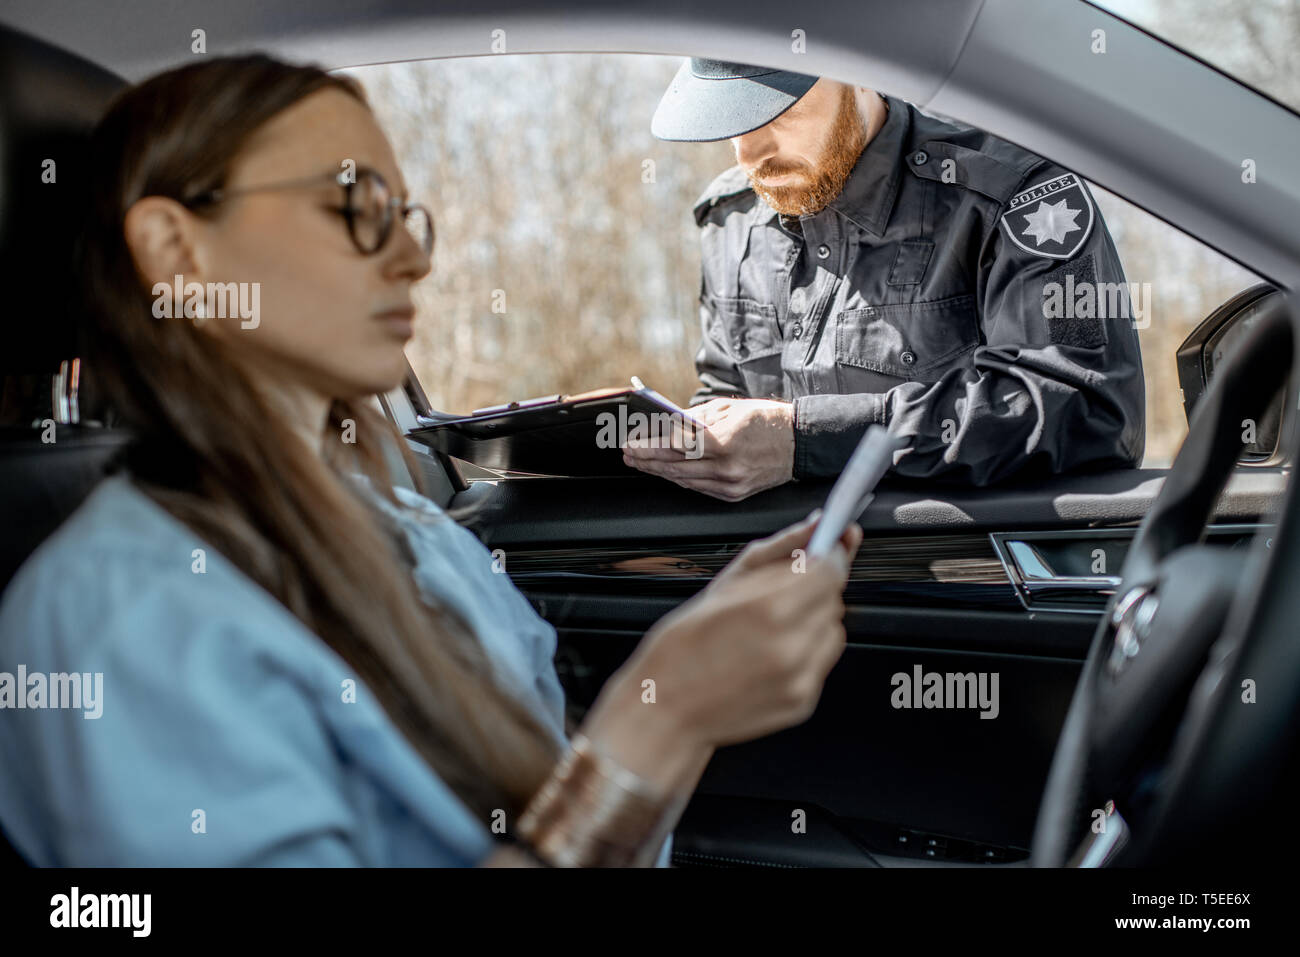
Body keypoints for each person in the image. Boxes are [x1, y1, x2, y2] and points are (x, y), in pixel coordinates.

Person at [0, 55, 862, 867]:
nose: (415, 259)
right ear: (179, 254)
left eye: (407, 218)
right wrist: (665, 717)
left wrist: (687, 684)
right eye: (356, 208)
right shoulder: (121, 616)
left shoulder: (403, 523)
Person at [622, 59, 1146, 501]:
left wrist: (805, 440)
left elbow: (1087, 409)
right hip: (774, 588)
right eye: (731, 120)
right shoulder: (730, 219)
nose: (749, 153)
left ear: (860, 69)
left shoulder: (1021, 197)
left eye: (777, 110)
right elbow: (724, 395)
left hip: (963, 585)